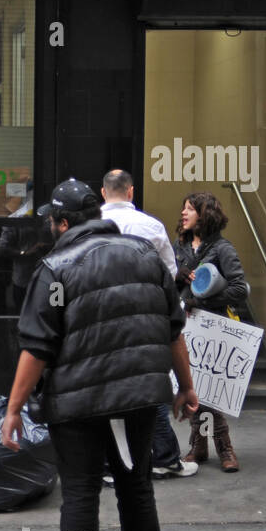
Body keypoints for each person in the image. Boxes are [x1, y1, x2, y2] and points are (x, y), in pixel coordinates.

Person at [2, 178, 199, 531]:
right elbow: (173, 330)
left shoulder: (55, 269)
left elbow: (36, 346)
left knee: (80, 491)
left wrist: (13, 410)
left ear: (63, 223)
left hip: (77, 403)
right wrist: (186, 387)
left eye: (52, 221)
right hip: (137, 395)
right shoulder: (146, 257)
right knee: (135, 486)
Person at [100, 168, 195, 479]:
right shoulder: (151, 226)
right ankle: (164, 456)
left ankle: (112, 464)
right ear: (131, 192)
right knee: (148, 386)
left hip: (102, 320)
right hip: (146, 320)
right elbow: (168, 273)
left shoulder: (90, 226)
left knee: (108, 389)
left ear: (104, 193)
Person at [176, 190, 250, 473]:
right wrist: (175, 275)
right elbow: (166, 283)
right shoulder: (179, 246)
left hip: (214, 330)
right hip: (186, 329)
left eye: (189, 209)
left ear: (204, 215)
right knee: (193, 388)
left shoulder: (223, 249)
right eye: (183, 208)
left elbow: (239, 289)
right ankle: (199, 446)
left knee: (212, 390)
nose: (183, 214)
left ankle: (223, 447)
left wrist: (200, 300)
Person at [0, 203, 52, 309]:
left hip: (49, 278)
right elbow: (3, 248)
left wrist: (50, 247)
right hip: (24, 278)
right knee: (23, 315)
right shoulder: (16, 218)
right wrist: (25, 253)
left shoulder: (49, 212)